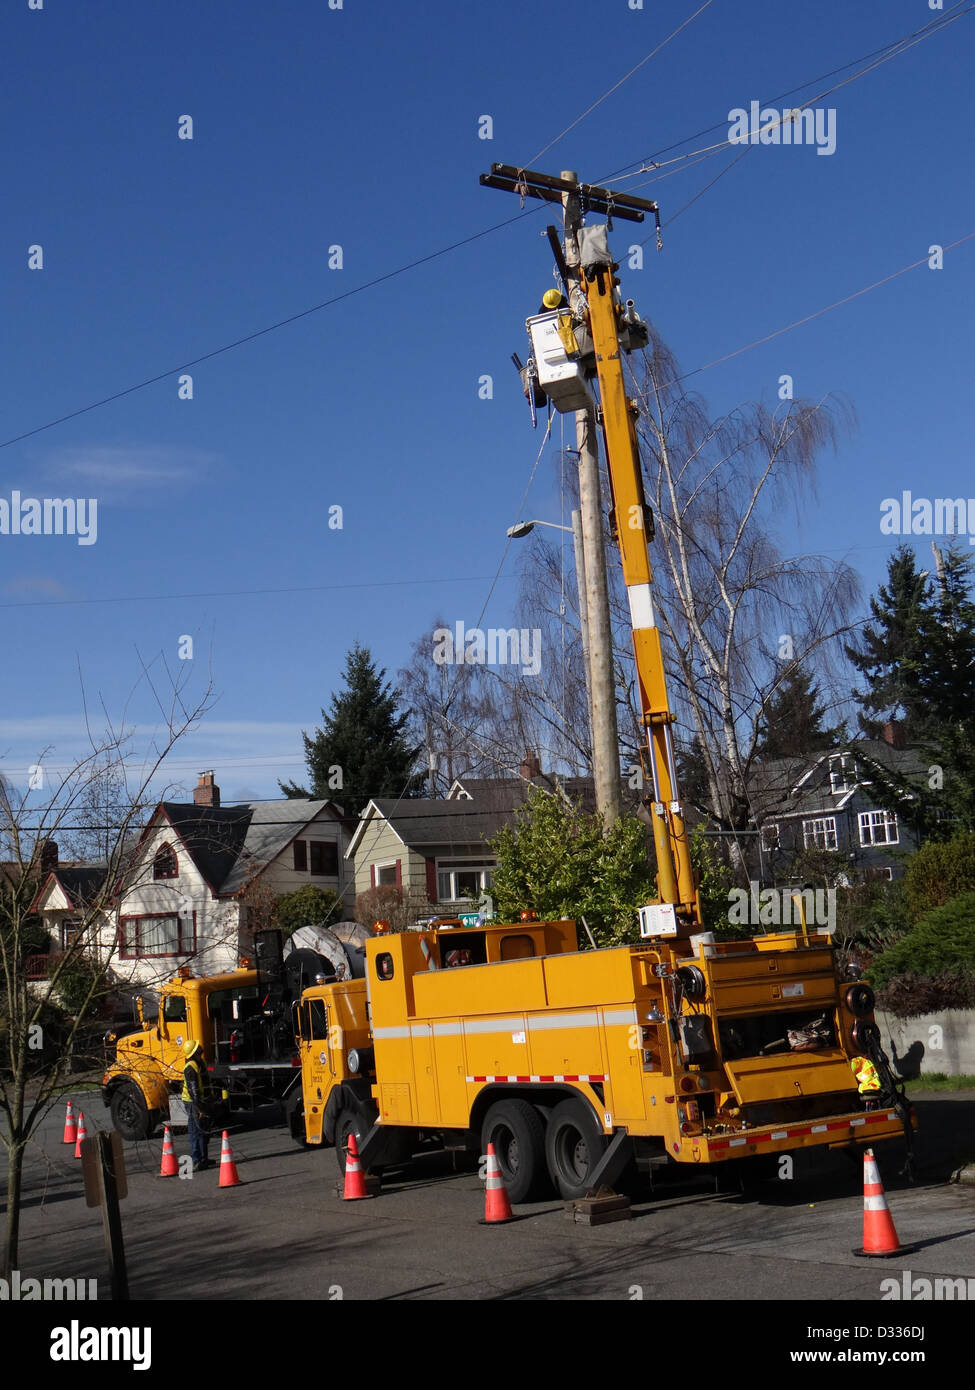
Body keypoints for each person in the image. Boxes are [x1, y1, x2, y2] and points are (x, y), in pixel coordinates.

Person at [181, 1039, 212, 1170]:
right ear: (194, 1052)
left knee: (201, 1130)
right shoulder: (190, 1068)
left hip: (199, 1101)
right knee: (197, 1131)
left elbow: (205, 1082)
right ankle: (197, 1160)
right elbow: (193, 1090)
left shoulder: (200, 1063)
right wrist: (199, 1107)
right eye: (197, 1047)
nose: (200, 1048)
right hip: (193, 1102)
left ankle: (203, 1158)